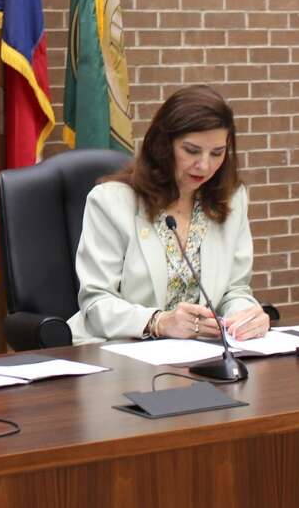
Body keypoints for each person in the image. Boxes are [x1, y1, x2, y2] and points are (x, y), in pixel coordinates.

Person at [67, 84, 270, 343]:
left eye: (217, 153)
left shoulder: (232, 199)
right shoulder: (111, 201)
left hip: (198, 351)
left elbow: (235, 290)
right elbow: (96, 302)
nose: (204, 165)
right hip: (117, 348)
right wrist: (160, 322)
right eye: (192, 151)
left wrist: (245, 317)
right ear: (163, 145)